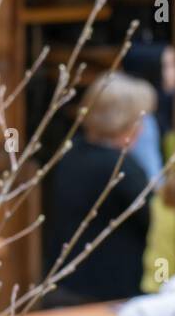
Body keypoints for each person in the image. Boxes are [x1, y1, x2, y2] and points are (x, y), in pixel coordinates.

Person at [45, 72, 156, 303]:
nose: (143, 129)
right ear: (126, 122)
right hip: (110, 296)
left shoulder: (70, 153)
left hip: (65, 285)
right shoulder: (121, 167)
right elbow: (155, 221)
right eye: (140, 120)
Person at [122, 41, 175, 183]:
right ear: (151, 70)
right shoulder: (143, 122)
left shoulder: (169, 104)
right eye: (168, 65)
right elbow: (154, 181)